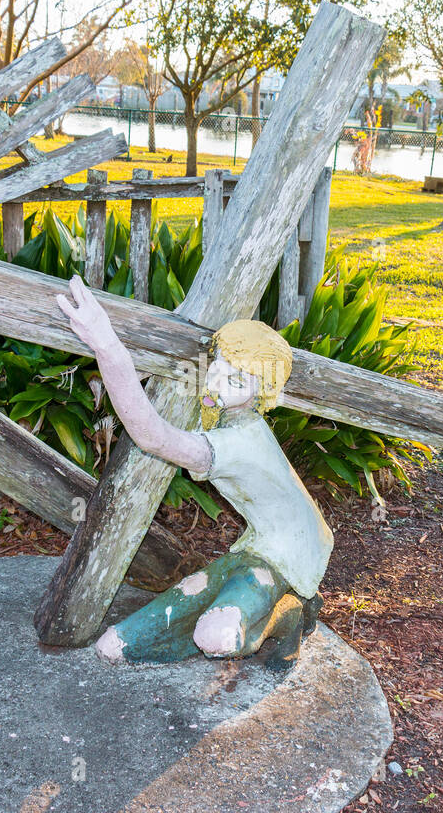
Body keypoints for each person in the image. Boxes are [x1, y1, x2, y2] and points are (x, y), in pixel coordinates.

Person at [55, 275, 333, 667]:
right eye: (217, 368)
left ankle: (287, 611)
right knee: (114, 646)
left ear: (262, 392)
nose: (217, 384)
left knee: (214, 637)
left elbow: (152, 437)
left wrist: (106, 344)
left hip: (291, 559)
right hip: (258, 548)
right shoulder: (235, 420)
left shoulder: (241, 442)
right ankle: (239, 604)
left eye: (236, 380)